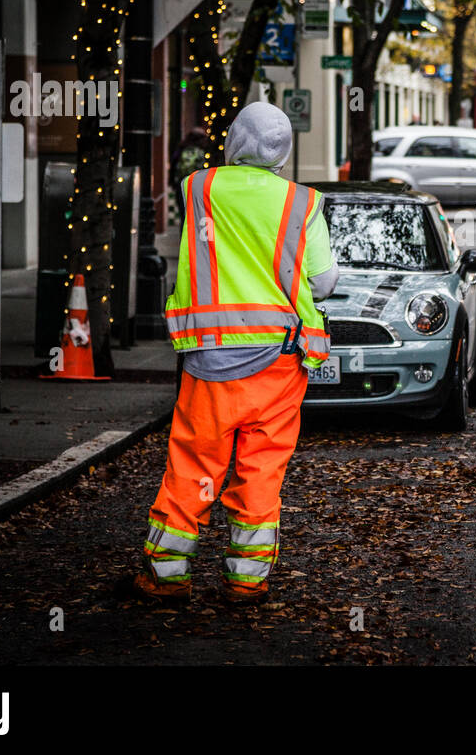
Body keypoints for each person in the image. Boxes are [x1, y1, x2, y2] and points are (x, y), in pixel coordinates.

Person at [126, 102, 338, 606]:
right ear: (285, 151)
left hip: (210, 358)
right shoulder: (303, 204)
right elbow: (325, 285)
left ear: (236, 141)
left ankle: (167, 575)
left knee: (197, 460)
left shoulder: (199, 187)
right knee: (262, 466)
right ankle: (246, 579)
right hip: (281, 364)